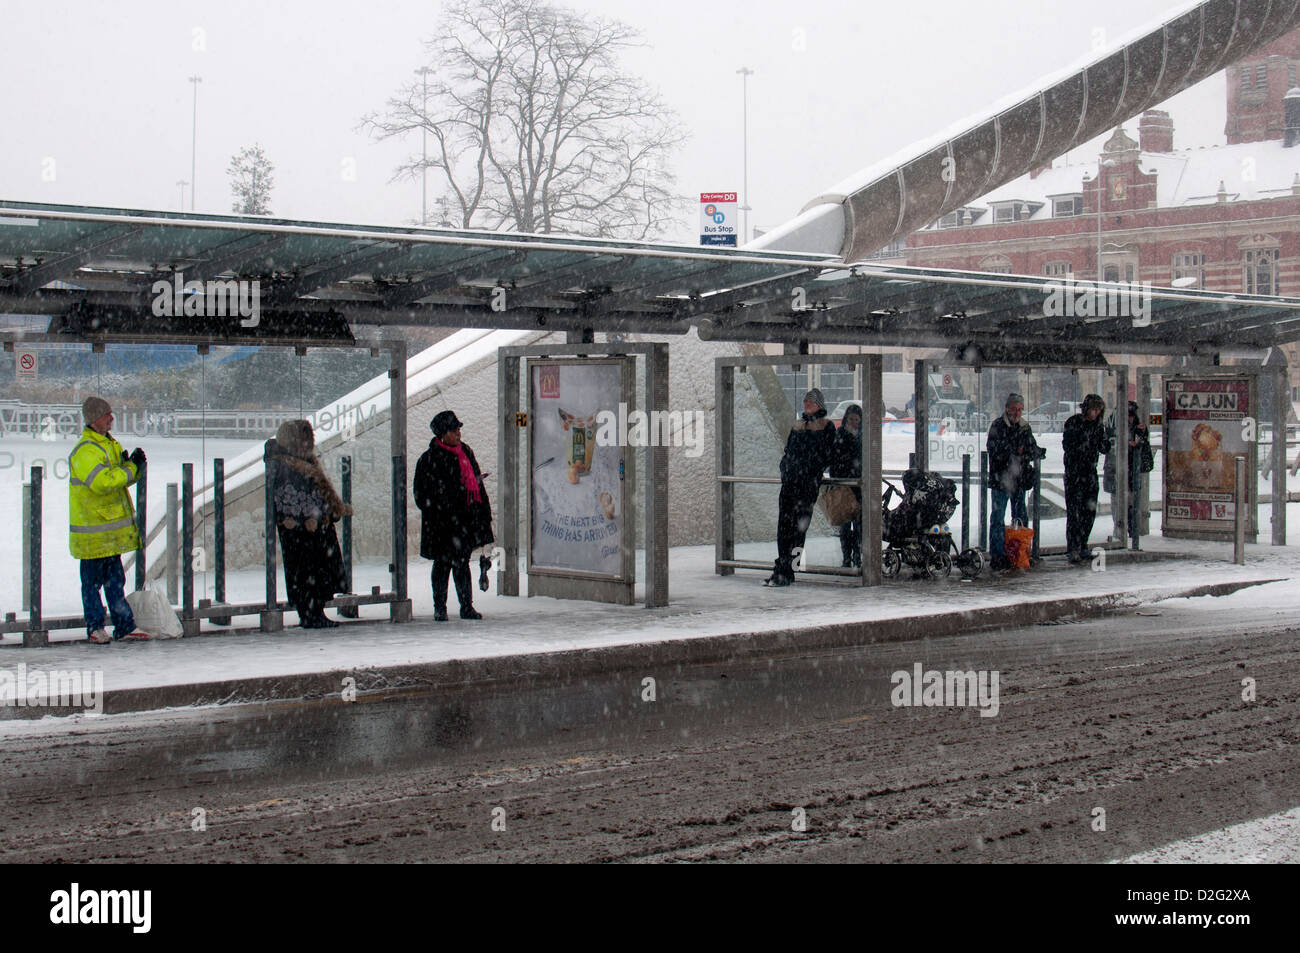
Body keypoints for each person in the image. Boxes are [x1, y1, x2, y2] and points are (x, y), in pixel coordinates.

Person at [69, 396, 150, 643]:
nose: (111, 418)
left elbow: (117, 479)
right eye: (107, 415)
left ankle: (124, 625)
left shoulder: (106, 445)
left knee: (115, 582)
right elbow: (103, 482)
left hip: (106, 534)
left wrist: (130, 468)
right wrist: (131, 469)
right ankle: (95, 627)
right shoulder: (86, 450)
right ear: (95, 419)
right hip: (93, 533)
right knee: (93, 584)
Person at [267, 420, 350, 628]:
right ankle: (310, 613)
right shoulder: (282, 464)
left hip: (314, 527)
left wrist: (323, 513)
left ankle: (315, 611)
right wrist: (309, 517)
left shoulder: (302, 461)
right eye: (301, 437)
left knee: (318, 571)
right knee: (305, 572)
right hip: (299, 530)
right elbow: (287, 496)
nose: (306, 442)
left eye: (307, 437)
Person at [414, 410, 494, 621]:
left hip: (464, 522)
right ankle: (439, 607)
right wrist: (440, 509)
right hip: (441, 525)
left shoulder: (465, 452)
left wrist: (483, 513)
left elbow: (477, 484)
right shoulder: (429, 459)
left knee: (462, 563)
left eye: (458, 429)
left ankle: (466, 606)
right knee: (442, 565)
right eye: (454, 429)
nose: (458, 433)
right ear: (442, 434)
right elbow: (421, 494)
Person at [766, 388, 837, 586]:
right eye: (805, 401)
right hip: (791, 483)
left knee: (798, 530)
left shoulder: (826, 426)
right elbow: (788, 450)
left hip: (806, 484)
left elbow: (827, 455)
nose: (807, 404)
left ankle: (790, 568)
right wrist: (786, 468)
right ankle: (783, 567)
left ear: (819, 405)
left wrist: (809, 469)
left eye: (811, 402)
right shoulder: (798, 425)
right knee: (784, 527)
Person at [985, 392, 1043, 570]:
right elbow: (994, 450)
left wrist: (1032, 451)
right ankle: (998, 555)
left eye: (1019, 409)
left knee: (1020, 518)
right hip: (1002, 480)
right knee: (998, 518)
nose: (1017, 413)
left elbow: (1030, 447)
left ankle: (1020, 552)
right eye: (1014, 409)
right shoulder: (998, 426)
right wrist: (1014, 452)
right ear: (1007, 409)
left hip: (1018, 480)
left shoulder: (1024, 427)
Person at [1062, 394, 1112, 563]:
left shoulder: (1098, 427)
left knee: (1088, 512)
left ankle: (1083, 545)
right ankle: (1073, 547)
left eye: (1099, 410)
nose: (1096, 413)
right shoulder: (1074, 423)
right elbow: (1068, 445)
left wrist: (1103, 440)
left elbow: (1104, 447)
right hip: (1074, 473)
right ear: (1086, 408)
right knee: (1074, 513)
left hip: (1089, 473)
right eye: (1094, 409)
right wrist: (1084, 442)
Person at [1115, 400, 1153, 551]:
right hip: (1122, 471)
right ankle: (1124, 530)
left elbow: (1141, 444)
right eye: (1129, 415)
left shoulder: (1136, 425)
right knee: (1124, 502)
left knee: (1132, 501)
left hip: (1132, 471)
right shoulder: (1116, 425)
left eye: (1132, 415)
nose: (1131, 418)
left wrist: (1140, 435)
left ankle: (1131, 530)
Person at [829, 403, 863, 568]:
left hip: (857, 486)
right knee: (845, 525)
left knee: (858, 526)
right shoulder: (841, 435)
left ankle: (856, 556)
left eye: (857, 419)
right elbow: (835, 460)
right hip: (845, 485)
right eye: (852, 419)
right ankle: (847, 558)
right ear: (846, 419)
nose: (854, 422)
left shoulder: (862, 436)